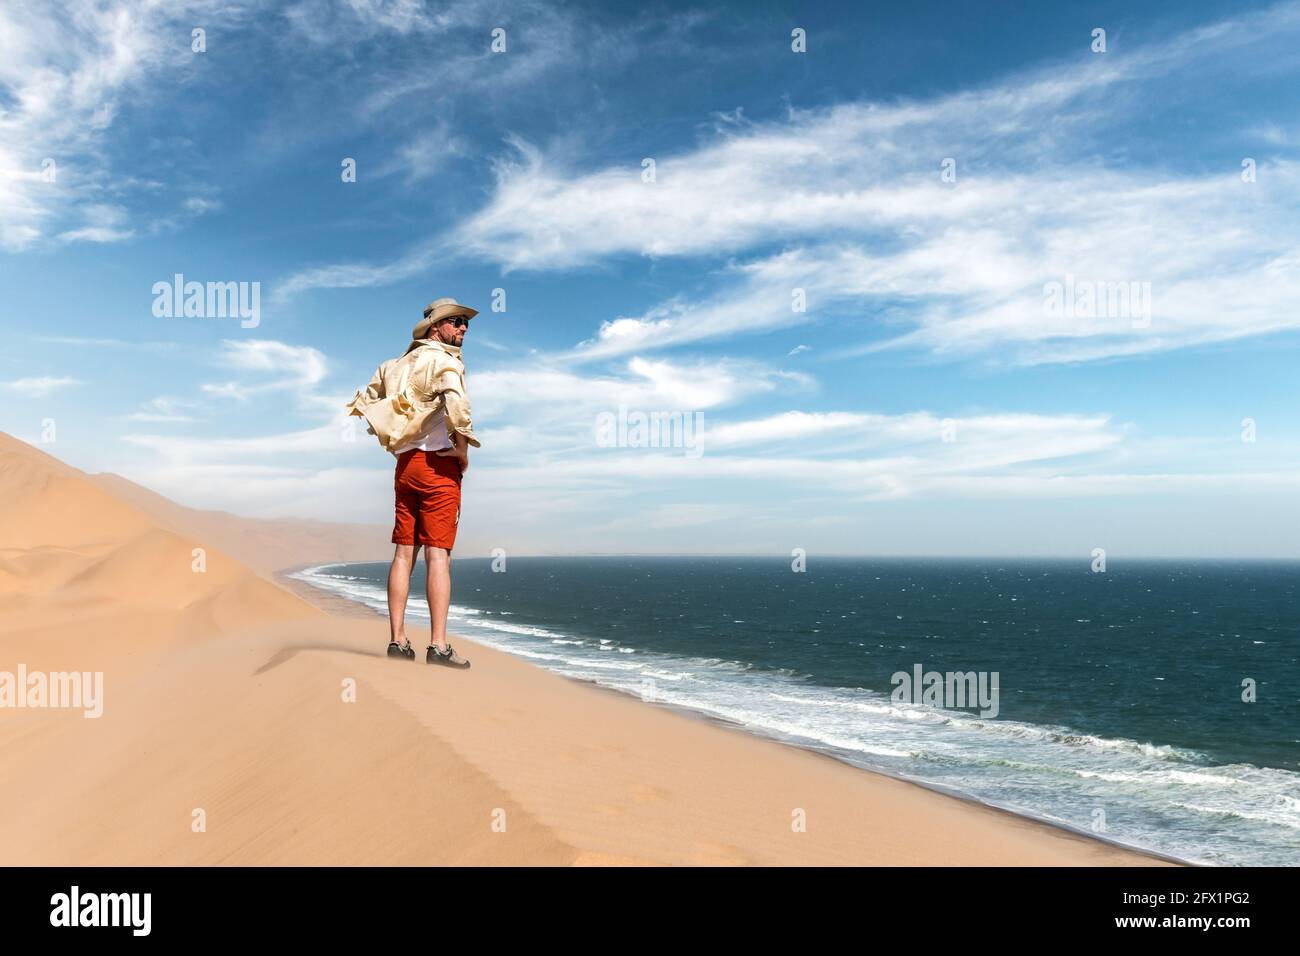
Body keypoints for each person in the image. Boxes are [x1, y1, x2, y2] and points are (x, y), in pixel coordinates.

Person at [344, 297, 480, 668]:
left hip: (405, 468)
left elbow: (366, 400)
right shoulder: (446, 362)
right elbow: (458, 405)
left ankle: (398, 640)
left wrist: (395, 434)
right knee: (439, 556)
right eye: (456, 322)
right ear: (437, 327)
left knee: (404, 553)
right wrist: (463, 449)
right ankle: (437, 646)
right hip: (438, 467)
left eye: (465, 323)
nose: (464, 328)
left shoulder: (393, 365)